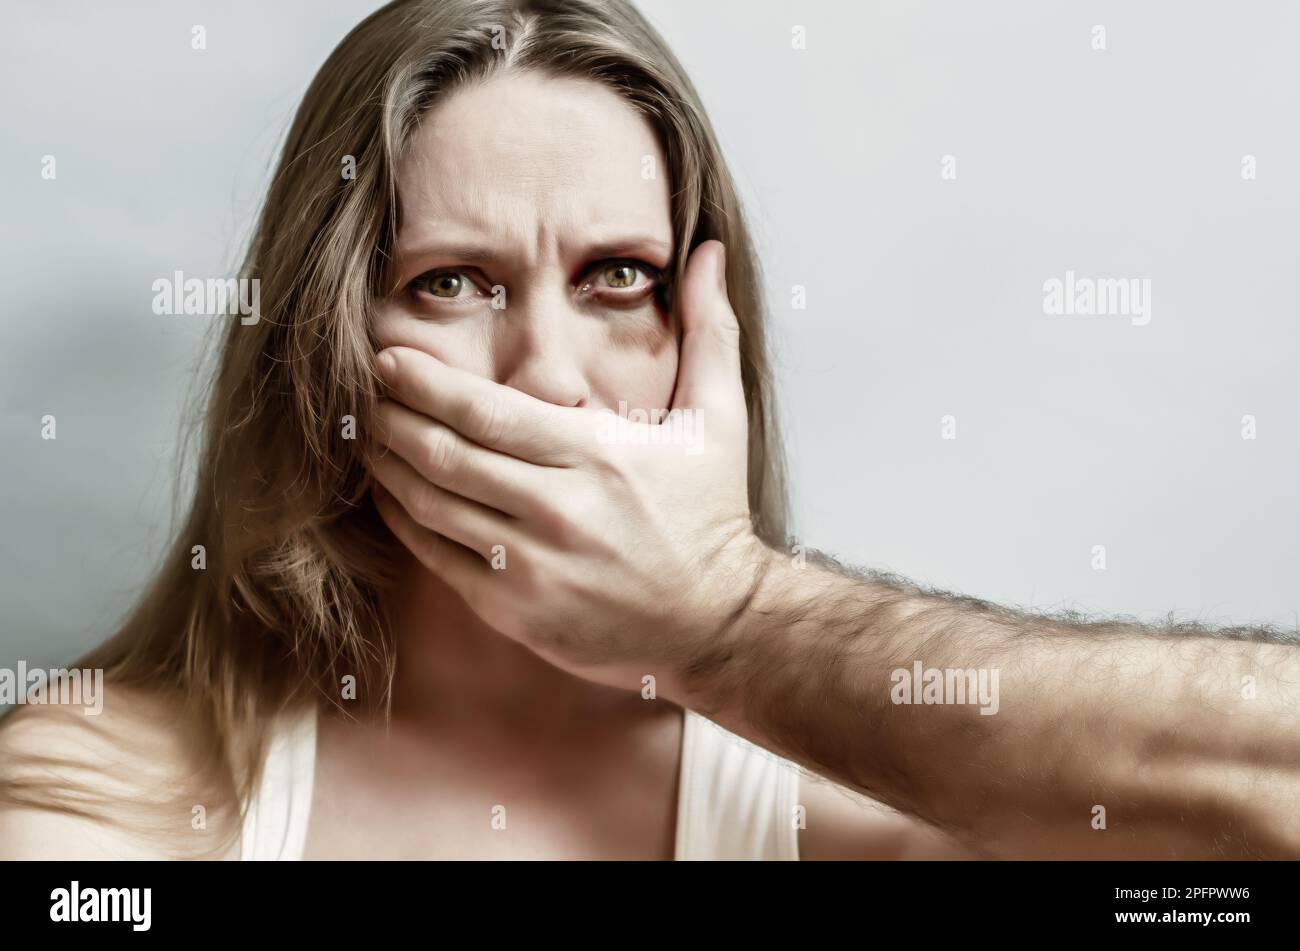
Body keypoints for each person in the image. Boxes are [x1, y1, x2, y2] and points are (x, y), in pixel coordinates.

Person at [0, 0, 974, 861]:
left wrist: (733, 609)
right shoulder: (103, 792)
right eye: (452, 283)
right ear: (323, 347)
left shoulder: (865, 821)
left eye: (620, 276)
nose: (547, 374)